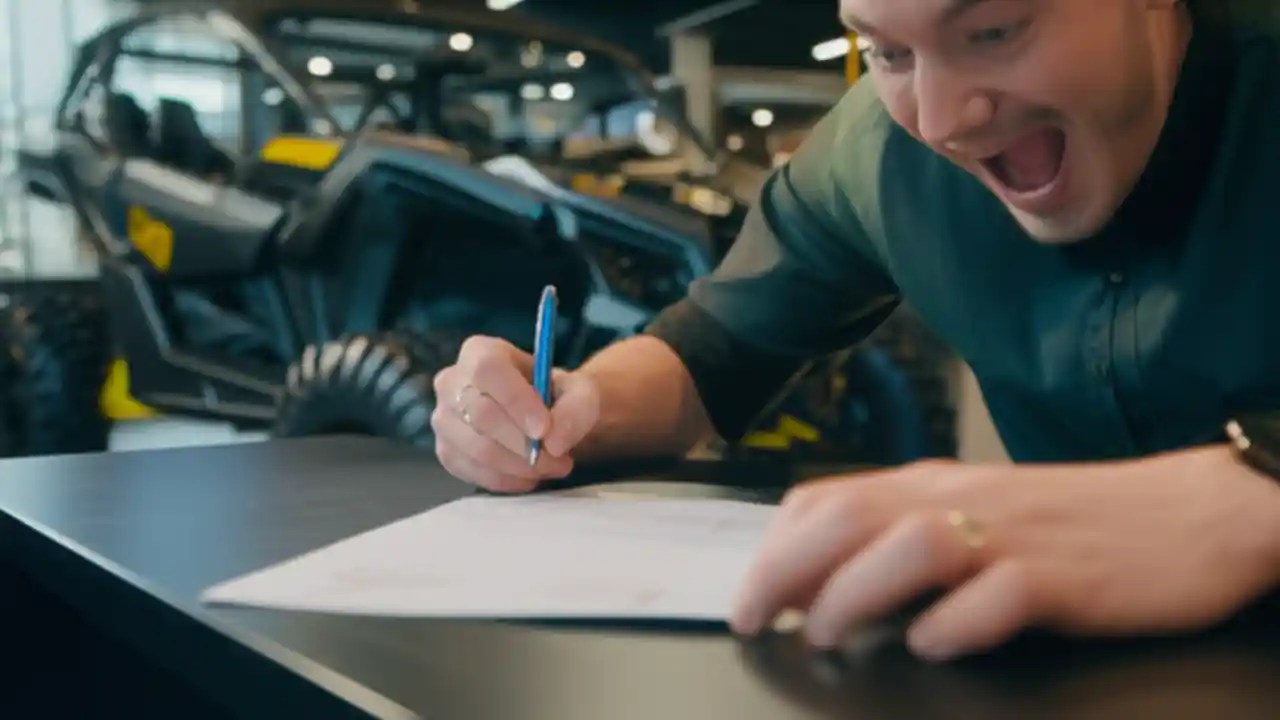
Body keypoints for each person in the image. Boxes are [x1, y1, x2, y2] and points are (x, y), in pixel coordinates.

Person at [431, 0, 1280, 662]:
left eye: (993, 29)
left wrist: (1247, 497)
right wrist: (568, 406)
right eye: (889, 52)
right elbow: (711, 347)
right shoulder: (876, 152)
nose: (943, 120)